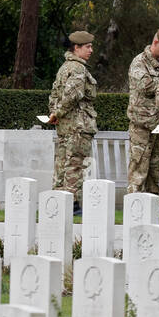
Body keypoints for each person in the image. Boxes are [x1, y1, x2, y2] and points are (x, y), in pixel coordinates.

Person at [48, 30, 98, 215]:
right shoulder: (77, 69)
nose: (91, 50)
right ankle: (72, 205)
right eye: (87, 46)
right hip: (78, 126)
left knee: (62, 164)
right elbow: (72, 95)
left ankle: (58, 202)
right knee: (75, 165)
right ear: (76, 48)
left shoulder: (64, 67)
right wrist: (58, 112)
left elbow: (54, 95)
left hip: (65, 126)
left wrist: (54, 113)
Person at [126, 28, 159, 195]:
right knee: (139, 165)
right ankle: (135, 199)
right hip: (141, 125)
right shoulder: (139, 62)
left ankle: (153, 199)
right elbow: (146, 86)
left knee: (156, 166)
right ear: (155, 43)